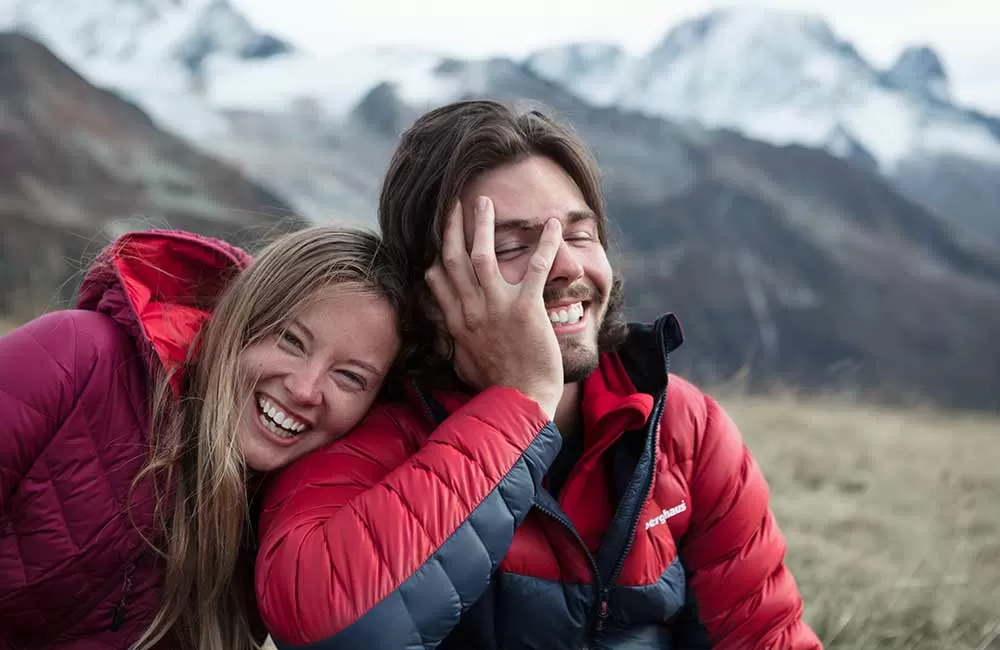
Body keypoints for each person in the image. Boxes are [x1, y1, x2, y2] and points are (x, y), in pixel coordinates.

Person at [255, 100, 822, 649]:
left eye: (578, 235)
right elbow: (322, 626)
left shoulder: (683, 426)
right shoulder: (372, 434)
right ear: (432, 293)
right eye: (511, 246)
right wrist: (521, 398)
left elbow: (766, 635)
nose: (568, 267)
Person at [0, 225, 403, 650]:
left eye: (350, 377)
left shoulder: (275, 538)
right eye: (291, 339)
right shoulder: (80, 360)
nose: (305, 389)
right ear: (242, 317)